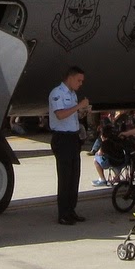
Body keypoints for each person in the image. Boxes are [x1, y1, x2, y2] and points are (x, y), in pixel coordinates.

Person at [48, 66, 90, 226]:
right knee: (65, 176)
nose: (80, 84)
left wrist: (82, 111)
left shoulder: (72, 94)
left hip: (73, 137)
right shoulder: (57, 93)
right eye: (79, 80)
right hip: (62, 137)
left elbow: (71, 115)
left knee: (74, 176)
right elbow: (60, 114)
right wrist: (78, 106)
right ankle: (63, 213)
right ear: (70, 78)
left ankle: (71, 209)